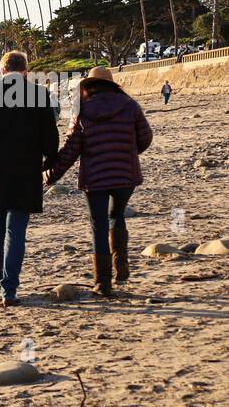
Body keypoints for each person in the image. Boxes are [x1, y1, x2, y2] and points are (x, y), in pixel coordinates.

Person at [45, 66, 152, 297]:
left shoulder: (82, 111)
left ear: (89, 86)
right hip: (125, 176)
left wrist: (50, 175)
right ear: (112, 85)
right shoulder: (130, 106)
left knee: (99, 225)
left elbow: (70, 149)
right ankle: (121, 265)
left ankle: (103, 283)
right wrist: (128, 153)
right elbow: (146, 137)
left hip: (95, 178)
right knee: (118, 216)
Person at [0, 50, 60, 307]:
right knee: (16, 232)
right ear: (25, 72)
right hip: (26, 173)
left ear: (1, 71)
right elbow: (49, 137)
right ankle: (10, 291)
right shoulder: (39, 95)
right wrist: (49, 163)